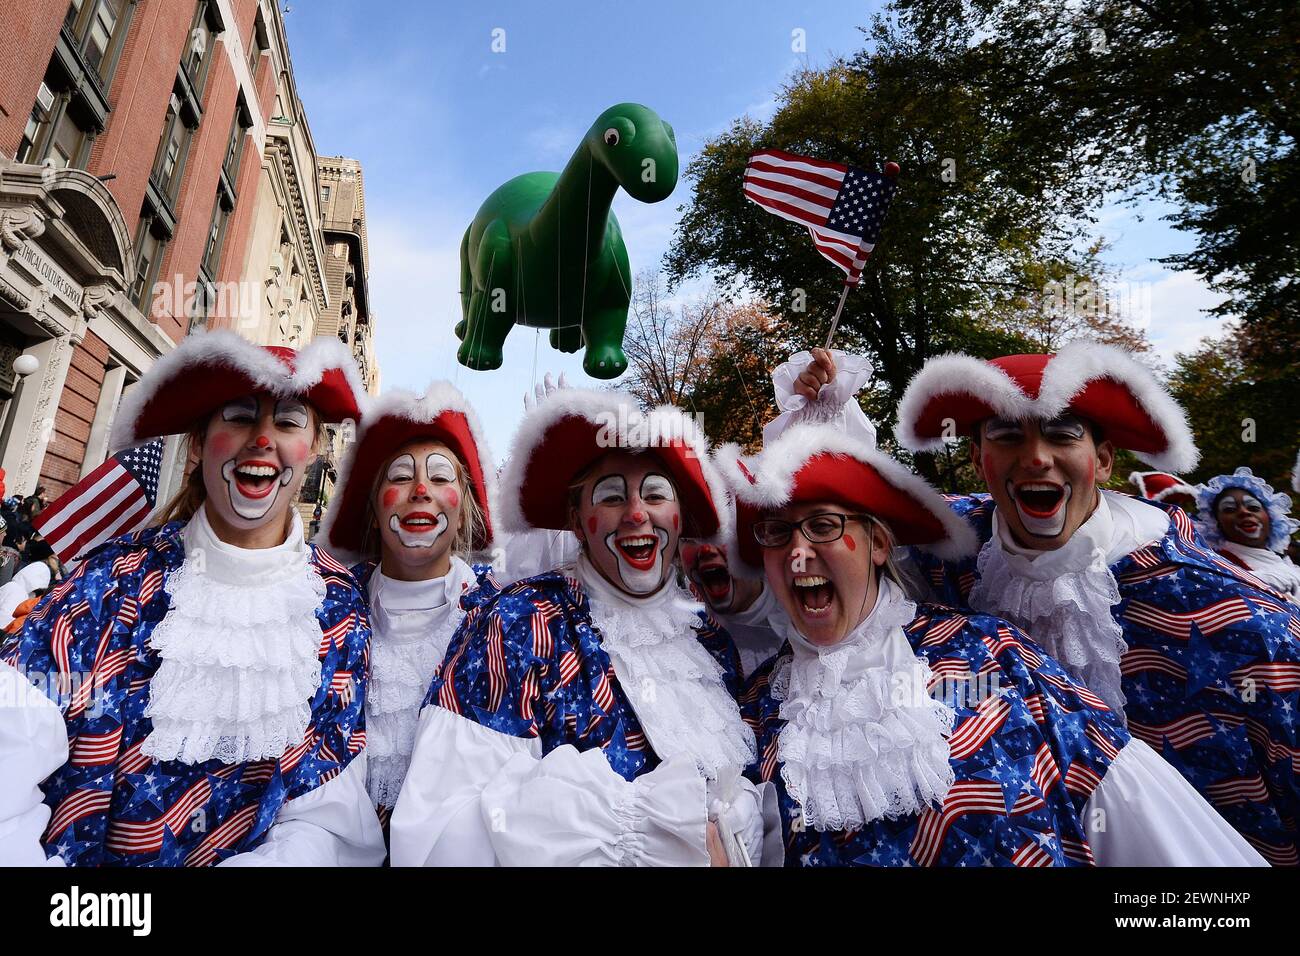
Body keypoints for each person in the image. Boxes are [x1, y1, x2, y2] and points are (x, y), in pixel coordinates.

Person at [725, 393, 1264, 866]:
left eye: (823, 526)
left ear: (880, 545)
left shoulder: (992, 654)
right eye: (776, 533)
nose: (797, 553)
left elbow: (1132, 816)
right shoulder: (753, 713)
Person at [896, 341, 1300, 866]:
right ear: (978, 459)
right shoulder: (949, 550)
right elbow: (839, 537)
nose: (1036, 458)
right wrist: (820, 415)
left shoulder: (1232, 611)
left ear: (1103, 461)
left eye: (1063, 435)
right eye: (1008, 436)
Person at [0, 330, 383, 866]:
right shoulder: (110, 581)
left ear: (313, 449)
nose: (263, 438)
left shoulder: (337, 606)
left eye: (289, 422)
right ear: (200, 443)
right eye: (240, 417)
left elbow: (323, 815)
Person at [390, 386, 769, 866]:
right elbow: (443, 828)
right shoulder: (520, 622)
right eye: (611, 496)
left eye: (656, 494)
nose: (637, 514)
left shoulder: (710, 642)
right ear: (576, 519)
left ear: (680, 518)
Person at [318, 382, 498, 830]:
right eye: (400, 477)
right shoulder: (327, 607)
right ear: (375, 507)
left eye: (440, 477)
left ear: (464, 508)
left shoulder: (501, 618)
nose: (420, 489)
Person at [1193, 468, 1300, 604]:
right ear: (1216, 523)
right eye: (1230, 509)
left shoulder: (1287, 566)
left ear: (1270, 517)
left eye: (1254, 508)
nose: (1244, 512)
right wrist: (1260, 580)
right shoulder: (1212, 564)